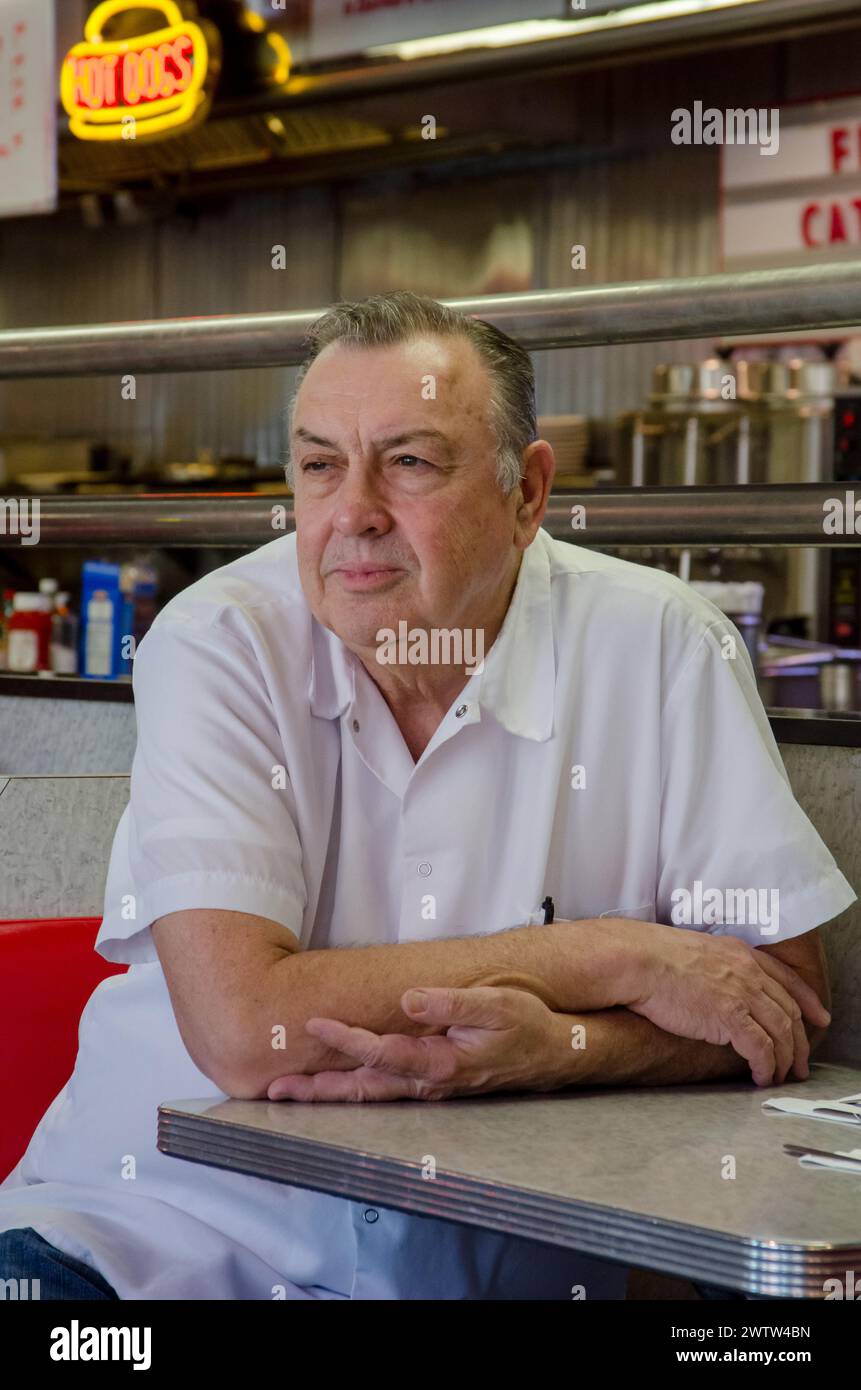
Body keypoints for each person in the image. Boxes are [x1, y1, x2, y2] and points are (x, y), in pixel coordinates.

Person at [0, 292, 852, 1301]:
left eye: (409, 463)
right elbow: (245, 1029)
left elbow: (785, 999)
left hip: (497, 1274)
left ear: (528, 493)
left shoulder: (663, 646)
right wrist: (610, 955)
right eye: (320, 465)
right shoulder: (217, 642)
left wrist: (568, 1048)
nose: (353, 513)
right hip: (155, 1244)